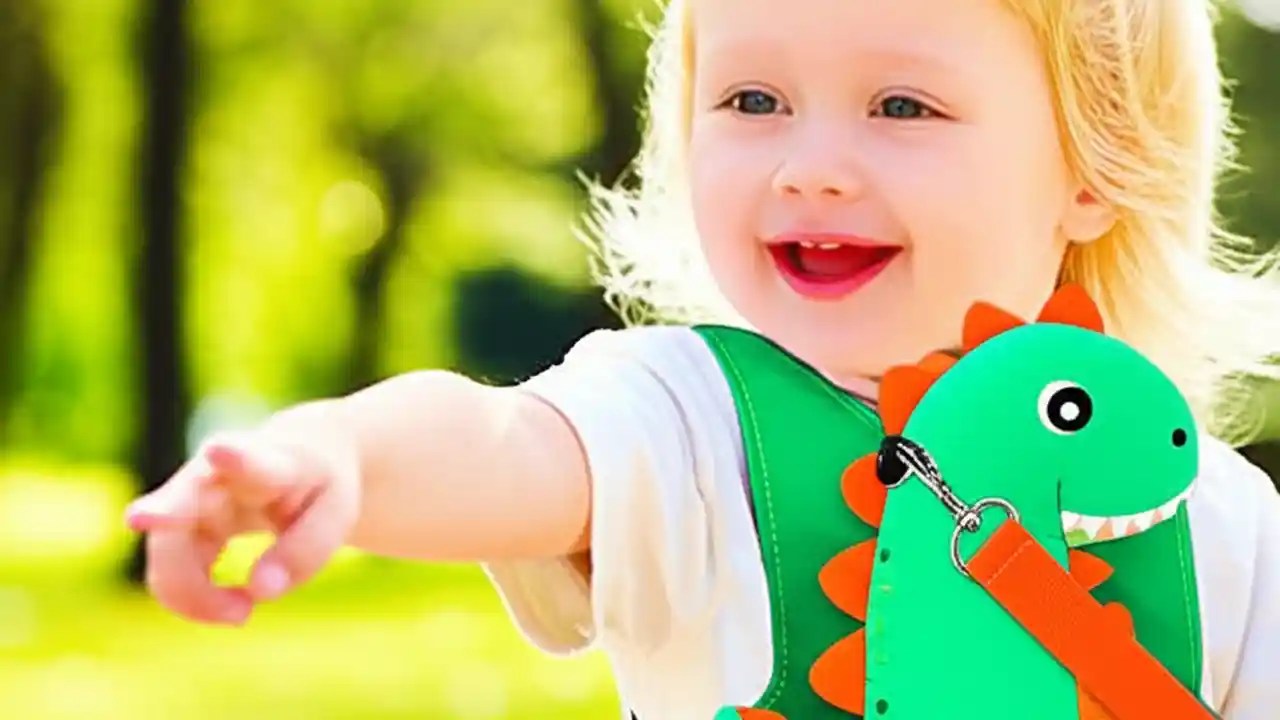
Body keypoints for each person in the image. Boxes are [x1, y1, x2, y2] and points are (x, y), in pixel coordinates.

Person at [126, 0, 1280, 717]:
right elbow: (499, 443)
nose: (808, 165)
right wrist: (341, 452)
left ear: (1090, 167)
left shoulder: (1224, 525)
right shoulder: (682, 419)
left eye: (900, 105)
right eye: (752, 97)